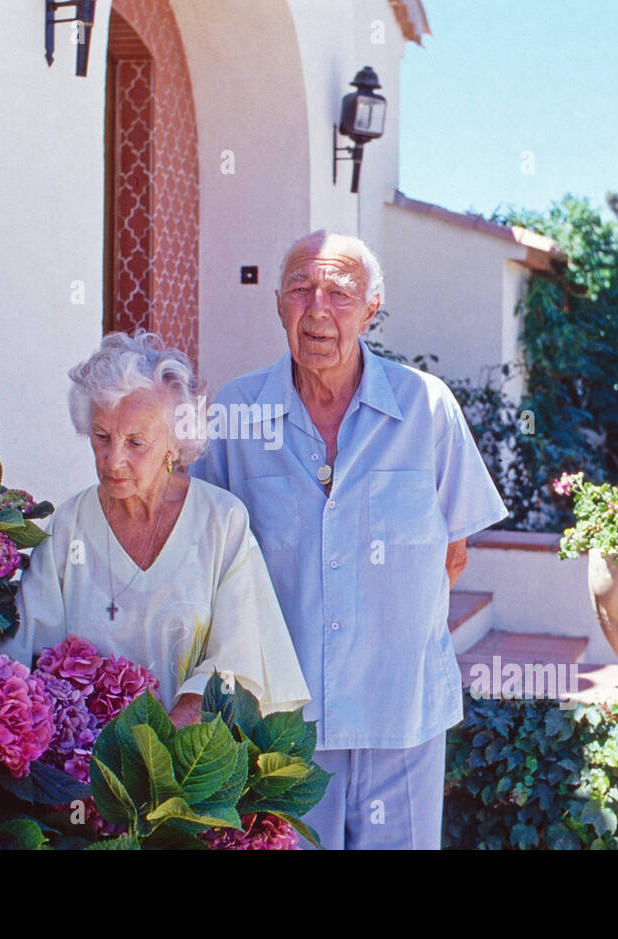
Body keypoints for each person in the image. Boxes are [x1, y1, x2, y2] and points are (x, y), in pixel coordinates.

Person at [191, 231, 509, 849]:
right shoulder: (235, 413)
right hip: (281, 727)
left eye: (339, 294)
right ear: (279, 304)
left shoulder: (427, 408)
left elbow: (453, 553)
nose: (317, 310)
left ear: (372, 308)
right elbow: (207, 562)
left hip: (401, 713)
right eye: (301, 291)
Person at [0, 330, 310, 726]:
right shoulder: (69, 525)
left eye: (136, 442)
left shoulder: (221, 520)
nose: (113, 461)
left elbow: (238, 663)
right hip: (80, 772)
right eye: (102, 437)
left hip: (187, 767)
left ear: (176, 442)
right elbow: (25, 651)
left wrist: (159, 751)